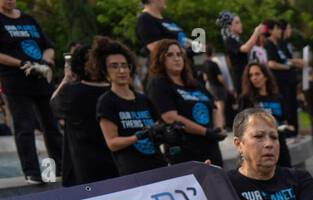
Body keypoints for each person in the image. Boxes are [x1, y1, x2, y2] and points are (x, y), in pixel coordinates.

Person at [0, 0, 60, 186]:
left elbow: (48, 46)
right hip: (15, 80)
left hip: (41, 78)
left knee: (51, 125)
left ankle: (62, 167)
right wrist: (21, 64)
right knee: (24, 127)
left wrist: (46, 61)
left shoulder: (29, 19)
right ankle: (32, 172)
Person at [95, 40, 168, 175]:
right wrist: (138, 137)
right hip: (133, 171)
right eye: (114, 66)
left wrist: (165, 132)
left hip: (159, 165)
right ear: (105, 72)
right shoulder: (106, 102)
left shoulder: (143, 99)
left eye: (124, 65)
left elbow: (158, 126)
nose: (121, 70)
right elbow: (112, 143)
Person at [146, 39, 224, 166]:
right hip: (186, 152)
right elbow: (170, 117)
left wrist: (218, 129)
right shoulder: (158, 84)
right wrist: (206, 132)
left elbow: (214, 108)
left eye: (179, 54)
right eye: (170, 55)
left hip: (211, 147)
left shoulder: (194, 83)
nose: (176, 58)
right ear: (160, 59)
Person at [51, 40, 116, 186]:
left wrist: (66, 78)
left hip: (83, 170)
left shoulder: (71, 92)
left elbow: (53, 104)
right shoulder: (116, 90)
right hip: (116, 164)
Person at [238, 61, 290, 166]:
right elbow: (242, 125)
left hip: (279, 144)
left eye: (257, 74)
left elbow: (284, 119)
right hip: (258, 148)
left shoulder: (278, 97)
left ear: (265, 76)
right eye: (250, 75)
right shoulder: (246, 99)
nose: (254, 78)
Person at [218, 11, 247, 92]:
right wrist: (256, 33)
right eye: (237, 22)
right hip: (240, 77)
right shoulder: (229, 40)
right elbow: (245, 49)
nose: (241, 25)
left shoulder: (237, 39)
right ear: (230, 26)